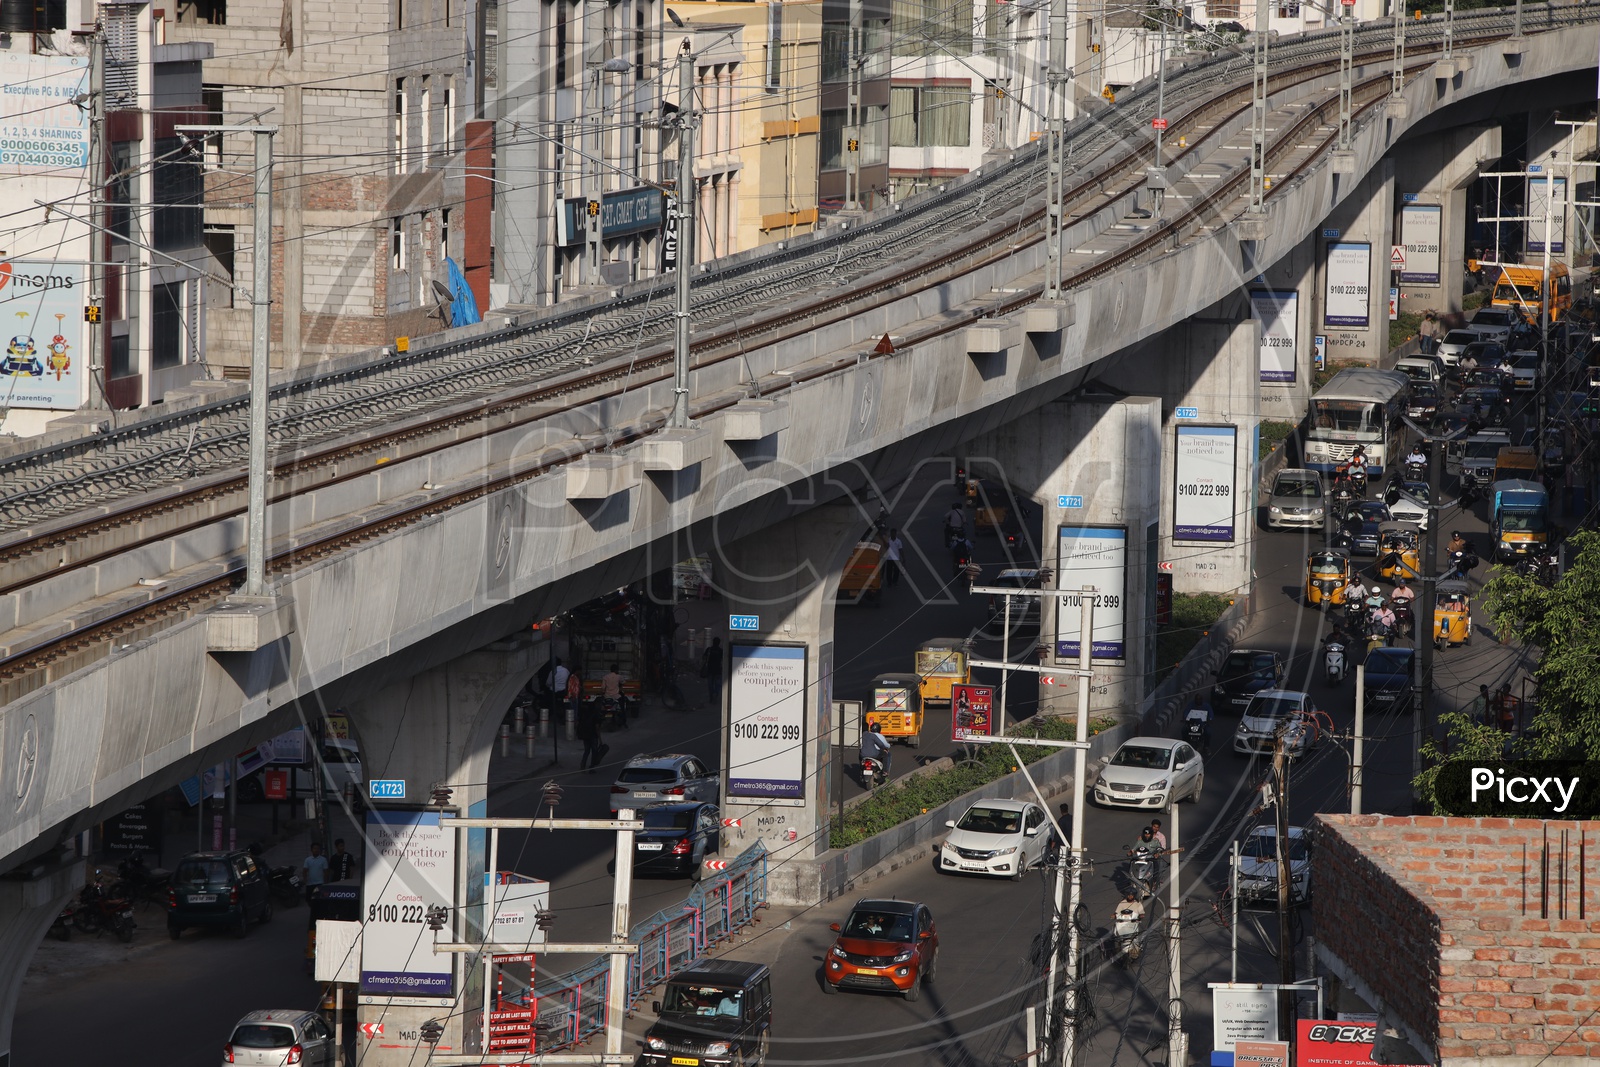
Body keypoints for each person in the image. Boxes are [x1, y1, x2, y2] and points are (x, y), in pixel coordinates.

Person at [577, 700, 607, 773]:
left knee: (586, 751)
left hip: (585, 735)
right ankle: (591, 767)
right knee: (594, 751)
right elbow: (597, 728)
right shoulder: (596, 715)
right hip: (593, 735)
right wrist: (600, 739)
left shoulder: (585, 714)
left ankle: (582, 766)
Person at [602, 662, 627, 727]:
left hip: (607, 696)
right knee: (622, 708)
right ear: (616, 670)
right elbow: (623, 682)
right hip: (616, 696)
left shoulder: (605, 677)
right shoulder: (618, 676)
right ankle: (624, 721)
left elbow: (603, 688)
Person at [702, 638, 724, 709]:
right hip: (718, 670)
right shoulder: (720, 651)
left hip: (710, 669)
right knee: (717, 684)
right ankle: (716, 693)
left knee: (710, 684)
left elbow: (704, 658)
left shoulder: (709, 650)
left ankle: (711, 695)